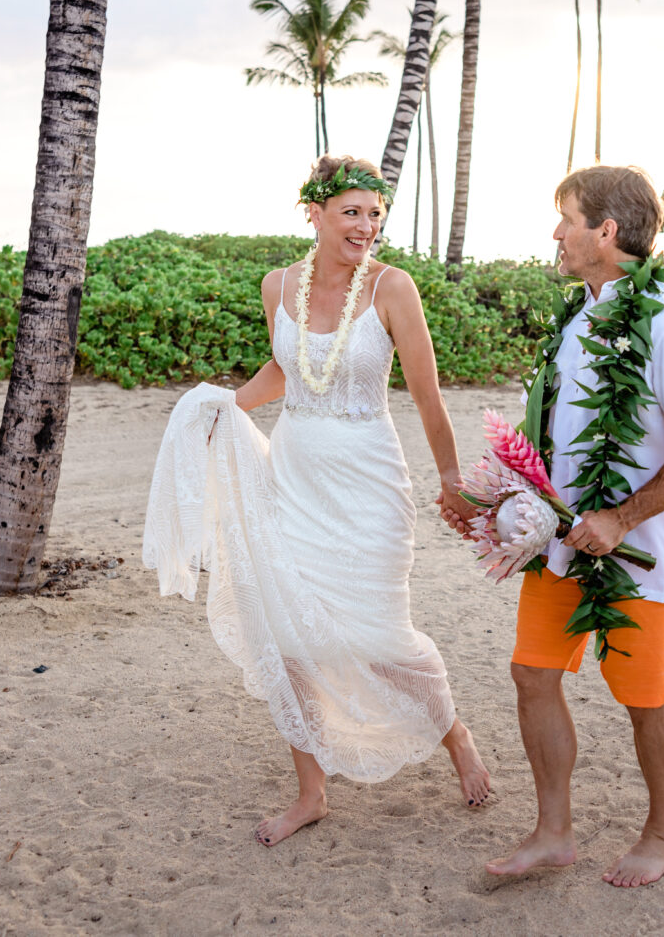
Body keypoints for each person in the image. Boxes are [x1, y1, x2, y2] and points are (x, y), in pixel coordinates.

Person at [143, 155, 490, 848]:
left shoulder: (394, 288)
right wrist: (225, 408)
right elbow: (286, 367)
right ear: (315, 212)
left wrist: (451, 476)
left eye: (374, 214)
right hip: (295, 473)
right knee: (289, 632)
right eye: (352, 212)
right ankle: (312, 791)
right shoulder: (278, 284)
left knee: (380, 632)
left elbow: (426, 393)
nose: (366, 226)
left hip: (369, 476)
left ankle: (454, 734)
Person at [470, 165, 664, 887]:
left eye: (568, 219)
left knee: (645, 702)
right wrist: (504, 501)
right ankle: (553, 831)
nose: (557, 233)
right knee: (532, 674)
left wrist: (621, 516)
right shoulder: (579, 315)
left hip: (636, 552)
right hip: (561, 544)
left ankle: (662, 832)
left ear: (606, 232)